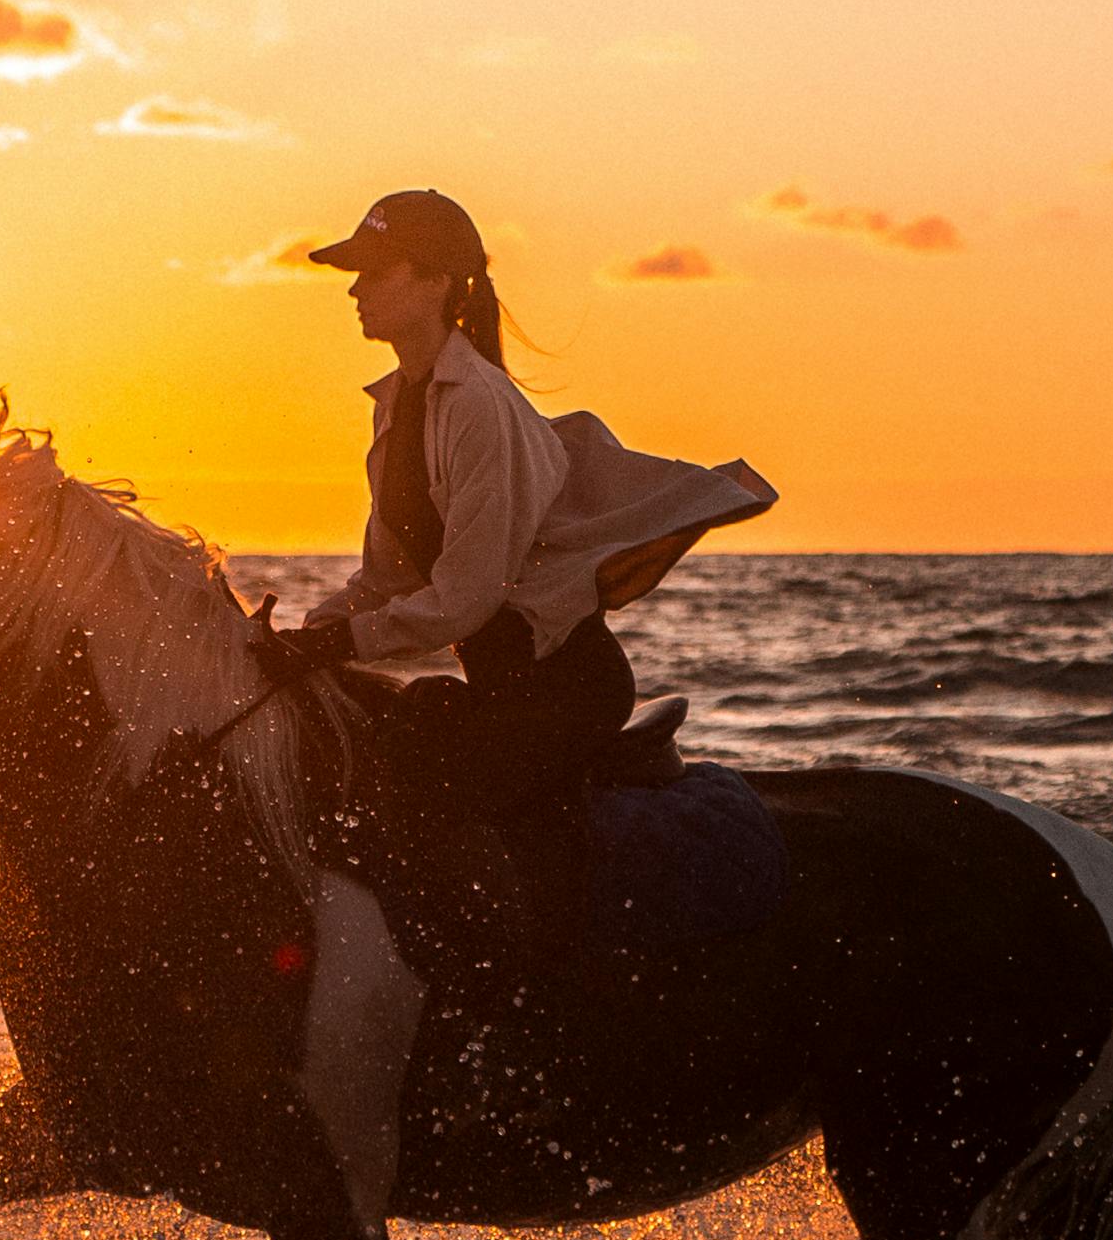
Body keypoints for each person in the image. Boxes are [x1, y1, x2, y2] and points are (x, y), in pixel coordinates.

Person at [264, 188, 778, 995]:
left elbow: (465, 598)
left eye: (371, 270)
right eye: (352, 273)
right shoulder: (397, 407)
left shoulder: (478, 408)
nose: (354, 289)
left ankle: (536, 994)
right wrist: (302, 632)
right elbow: (386, 582)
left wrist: (340, 643)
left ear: (435, 283)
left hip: (564, 689)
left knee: (433, 788)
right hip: (502, 686)